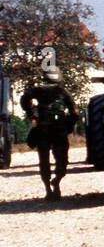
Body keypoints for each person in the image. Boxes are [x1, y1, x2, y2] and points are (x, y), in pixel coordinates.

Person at [21, 66, 78, 201]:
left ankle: (49, 188)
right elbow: (74, 112)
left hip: (44, 130)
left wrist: (32, 115)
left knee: (44, 161)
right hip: (57, 130)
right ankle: (55, 183)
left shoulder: (37, 90)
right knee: (61, 160)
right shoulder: (62, 91)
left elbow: (24, 100)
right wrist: (68, 125)